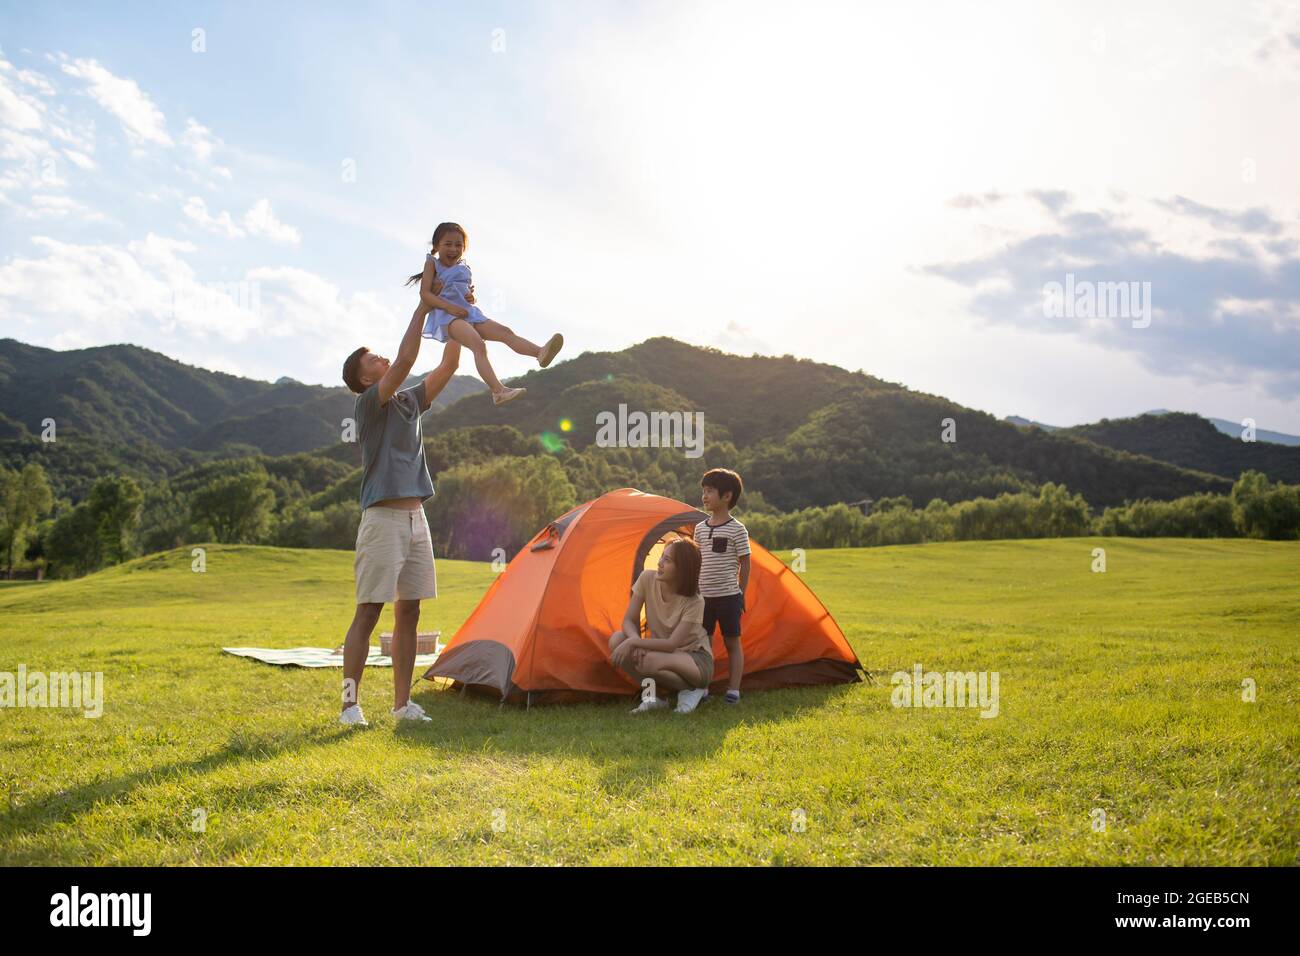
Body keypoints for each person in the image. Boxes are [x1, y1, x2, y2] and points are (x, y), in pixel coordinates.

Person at [336, 299, 463, 726]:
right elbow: (408, 357)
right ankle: (350, 706)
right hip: (382, 519)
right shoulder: (369, 403)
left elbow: (446, 368)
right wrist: (425, 306)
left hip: (416, 519)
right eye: (372, 358)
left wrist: (455, 322)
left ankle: (401, 704)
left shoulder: (409, 401)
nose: (381, 358)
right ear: (363, 377)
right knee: (369, 610)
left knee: (410, 611)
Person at [405, 221, 563, 406]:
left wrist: (471, 297)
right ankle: (498, 391)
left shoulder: (463, 267)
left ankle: (539, 353)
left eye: (459, 245)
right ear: (436, 246)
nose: (453, 249)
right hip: (448, 317)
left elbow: (462, 292)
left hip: (469, 313)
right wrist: (449, 307)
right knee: (477, 345)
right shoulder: (432, 264)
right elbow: (425, 294)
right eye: (448, 244)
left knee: (505, 332)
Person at [608, 538, 713, 714]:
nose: (660, 563)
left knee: (646, 661)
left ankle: (694, 690)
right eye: (662, 557)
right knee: (617, 640)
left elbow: (672, 644)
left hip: (695, 658)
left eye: (667, 560)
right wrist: (634, 640)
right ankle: (652, 697)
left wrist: (635, 643)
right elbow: (628, 620)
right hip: (661, 652)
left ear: (683, 570)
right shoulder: (647, 579)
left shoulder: (695, 601)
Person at [695, 468, 750, 704]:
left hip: (728, 596)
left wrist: (741, 593)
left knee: (731, 641)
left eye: (710, 491)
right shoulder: (699, 529)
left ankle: (733, 690)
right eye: (703, 491)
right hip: (703, 598)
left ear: (727, 496)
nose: (704, 496)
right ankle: (704, 689)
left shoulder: (737, 529)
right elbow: (697, 562)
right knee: (704, 643)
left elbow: (745, 563)